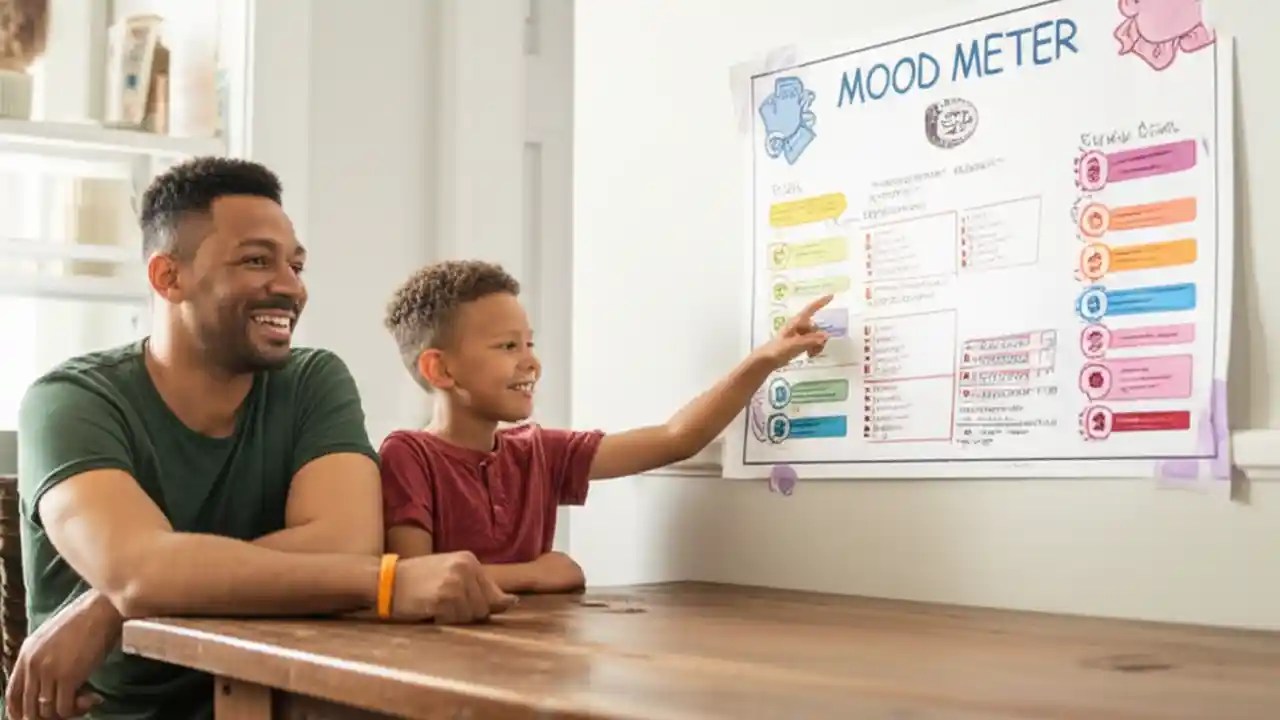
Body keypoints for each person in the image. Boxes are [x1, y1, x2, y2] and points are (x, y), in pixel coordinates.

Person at [9, 158, 515, 720]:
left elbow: (346, 544)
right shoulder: (70, 401)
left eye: (296, 265)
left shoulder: (312, 381)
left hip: (278, 703)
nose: (290, 286)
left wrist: (112, 603)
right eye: (256, 261)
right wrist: (391, 583)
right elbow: (139, 568)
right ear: (167, 277)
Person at [378, 260, 831, 593]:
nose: (531, 360)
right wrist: (536, 574)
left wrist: (765, 359)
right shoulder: (407, 454)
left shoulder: (538, 450)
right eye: (508, 345)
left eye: (530, 342)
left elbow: (678, 439)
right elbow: (417, 579)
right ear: (440, 370)